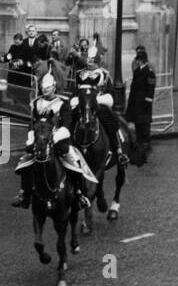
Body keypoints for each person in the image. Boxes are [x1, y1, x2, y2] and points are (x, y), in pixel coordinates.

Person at [12, 70, 95, 209]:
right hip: (39, 140)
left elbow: (66, 125)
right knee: (25, 161)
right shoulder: (35, 103)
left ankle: (79, 193)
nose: (45, 89)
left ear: (54, 86)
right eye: (43, 87)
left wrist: (53, 139)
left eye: (48, 87)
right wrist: (31, 138)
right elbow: (32, 124)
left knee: (74, 160)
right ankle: (24, 193)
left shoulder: (63, 103)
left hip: (58, 139)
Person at [70, 45, 123, 165]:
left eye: (92, 60)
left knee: (110, 120)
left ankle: (118, 150)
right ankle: (68, 146)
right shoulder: (79, 74)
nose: (89, 62)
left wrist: (99, 100)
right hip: (83, 103)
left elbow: (109, 93)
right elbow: (75, 91)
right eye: (88, 59)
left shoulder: (104, 74)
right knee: (70, 118)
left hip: (98, 104)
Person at [125, 45, 155, 155]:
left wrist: (148, 101)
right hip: (136, 104)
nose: (137, 62)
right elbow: (134, 88)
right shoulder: (137, 71)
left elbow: (150, 89)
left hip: (144, 104)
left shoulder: (149, 72)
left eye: (138, 60)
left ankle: (146, 147)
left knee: (145, 127)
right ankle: (140, 147)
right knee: (138, 125)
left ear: (141, 60)